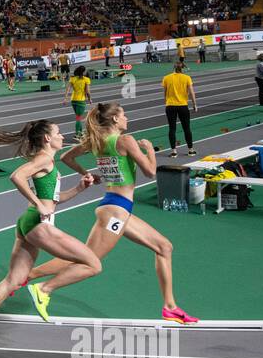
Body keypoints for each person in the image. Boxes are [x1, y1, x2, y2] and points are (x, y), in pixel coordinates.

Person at [25, 102, 198, 323]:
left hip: (117, 209)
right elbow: (150, 172)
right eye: (124, 115)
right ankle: (43, 288)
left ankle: (170, 307)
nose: (126, 118)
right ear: (115, 119)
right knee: (89, 259)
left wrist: (87, 173)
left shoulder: (97, 142)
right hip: (116, 212)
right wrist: (149, 149)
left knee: (164, 247)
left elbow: (66, 157)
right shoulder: (126, 141)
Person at [0, 121, 101, 351]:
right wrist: (38, 204)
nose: (61, 136)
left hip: (29, 221)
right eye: (57, 133)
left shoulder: (48, 161)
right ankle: (43, 290)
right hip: (39, 224)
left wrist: (79, 189)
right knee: (93, 263)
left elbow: (53, 201)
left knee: (14, 280)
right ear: (47, 138)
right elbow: (17, 176)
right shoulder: (44, 159)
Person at [162, 61, 197, 157]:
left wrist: (167, 102)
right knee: (186, 128)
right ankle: (191, 150)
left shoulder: (166, 78)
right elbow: (191, 93)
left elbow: (165, 93)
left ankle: (174, 152)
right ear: (182, 68)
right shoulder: (187, 78)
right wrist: (194, 104)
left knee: (172, 129)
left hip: (170, 106)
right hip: (183, 106)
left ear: (173, 68)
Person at [65, 65, 91, 142]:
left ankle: (80, 132)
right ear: (83, 72)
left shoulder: (72, 79)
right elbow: (87, 91)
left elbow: (68, 89)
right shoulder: (86, 79)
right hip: (81, 100)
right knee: (79, 118)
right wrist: (90, 99)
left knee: (78, 117)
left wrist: (66, 98)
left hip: (73, 100)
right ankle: (77, 134)